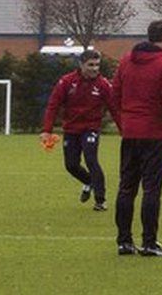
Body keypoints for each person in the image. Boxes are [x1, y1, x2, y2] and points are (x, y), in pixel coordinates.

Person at [112, 20, 162, 256]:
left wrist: (127, 122)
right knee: (152, 189)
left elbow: (115, 95)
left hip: (130, 133)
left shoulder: (125, 61)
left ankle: (123, 241)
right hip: (154, 134)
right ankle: (149, 243)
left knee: (126, 187)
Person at [41, 49, 119, 210]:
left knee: (91, 159)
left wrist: (125, 131)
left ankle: (100, 200)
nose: (95, 69)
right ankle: (89, 181)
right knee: (71, 165)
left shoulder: (103, 84)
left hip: (91, 128)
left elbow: (115, 109)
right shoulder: (67, 82)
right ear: (81, 64)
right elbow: (53, 105)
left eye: (97, 65)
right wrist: (47, 130)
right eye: (91, 65)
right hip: (71, 129)